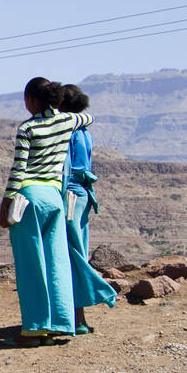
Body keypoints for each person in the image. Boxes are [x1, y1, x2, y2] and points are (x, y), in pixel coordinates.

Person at [0, 77, 105, 346]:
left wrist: (6, 202)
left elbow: (18, 168)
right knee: (57, 263)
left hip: (29, 197)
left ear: (32, 101)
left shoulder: (28, 128)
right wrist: (60, 112)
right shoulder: (68, 122)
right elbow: (88, 118)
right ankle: (61, 324)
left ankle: (35, 329)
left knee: (32, 264)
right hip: (54, 199)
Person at [59, 84, 116, 333]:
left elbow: (65, 169)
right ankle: (77, 315)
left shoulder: (68, 132)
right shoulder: (85, 132)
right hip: (82, 196)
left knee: (71, 253)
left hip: (70, 195)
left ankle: (79, 313)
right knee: (78, 248)